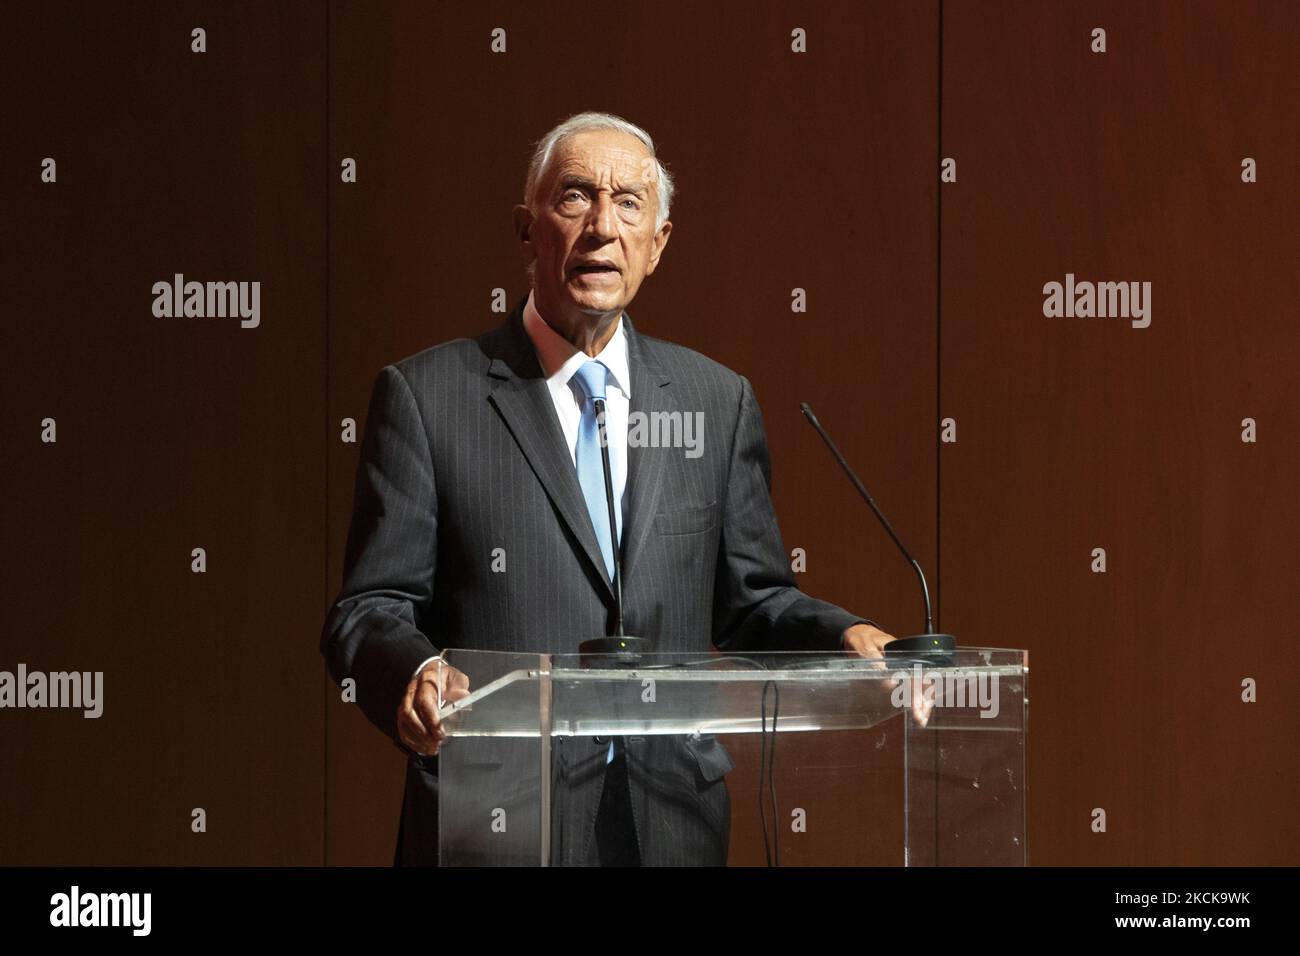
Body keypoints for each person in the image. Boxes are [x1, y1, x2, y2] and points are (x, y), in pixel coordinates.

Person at [321, 111, 921, 866]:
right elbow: (367, 609)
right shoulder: (428, 396)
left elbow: (755, 602)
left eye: (630, 203)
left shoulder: (714, 399)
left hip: (669, 823)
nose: (603, 225)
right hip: (496, 824)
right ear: (526, 229)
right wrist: (412, 671)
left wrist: (842, 637)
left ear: (658, 244)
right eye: (575, 196)